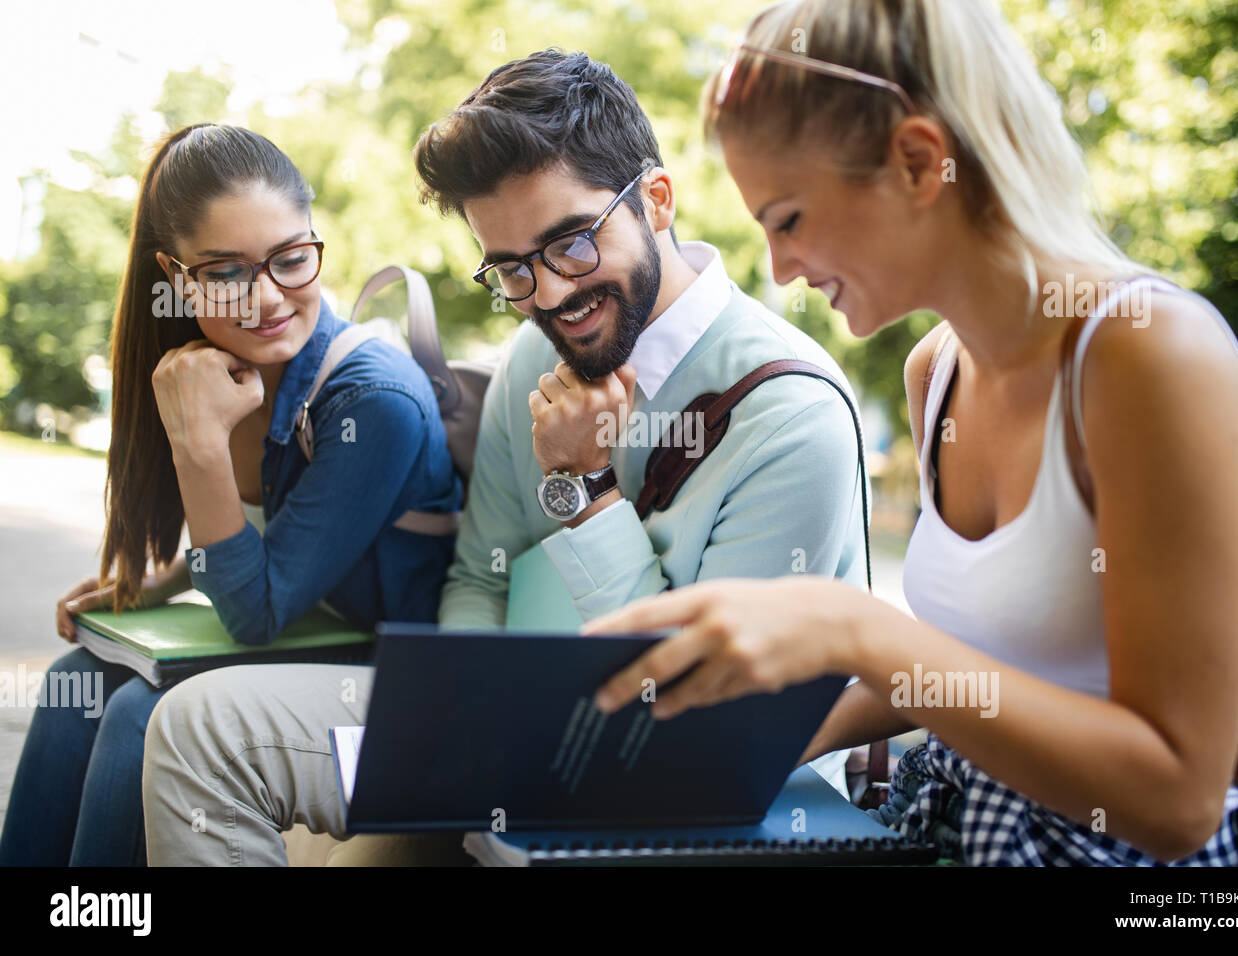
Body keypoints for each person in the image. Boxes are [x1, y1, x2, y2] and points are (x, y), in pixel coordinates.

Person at [587, 0, 1238, 866]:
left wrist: (853, 628)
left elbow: (1178, 798)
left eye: (788, 218)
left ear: (918, 162)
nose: (779, 268)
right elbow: (968, 671)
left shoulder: (1151, 360)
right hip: (943, 825)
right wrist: (744, 752)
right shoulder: (936, 371)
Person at [140, 50, 868, 865]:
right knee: (198, 726)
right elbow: (479, 578)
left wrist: (583, 486)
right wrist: (464, 713)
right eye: (513, 268)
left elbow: (699, 721)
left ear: (656, 202)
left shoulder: (792, 414)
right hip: (511, 730)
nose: (552, 293)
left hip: (692, 790)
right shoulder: (536, 352)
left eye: (572, 244)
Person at [0, 124, 461, 866]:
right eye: (225, 272)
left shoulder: (373, 400)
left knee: (139, 713)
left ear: (314, 241)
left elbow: (257, 613)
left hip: (396, 682)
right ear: (175, 276)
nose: (267, 297)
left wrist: (200, 446)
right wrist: (169, 577)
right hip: (319, 639)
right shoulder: (216, 365)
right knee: (75, 681)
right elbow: (277, 539)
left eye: (290, 258)